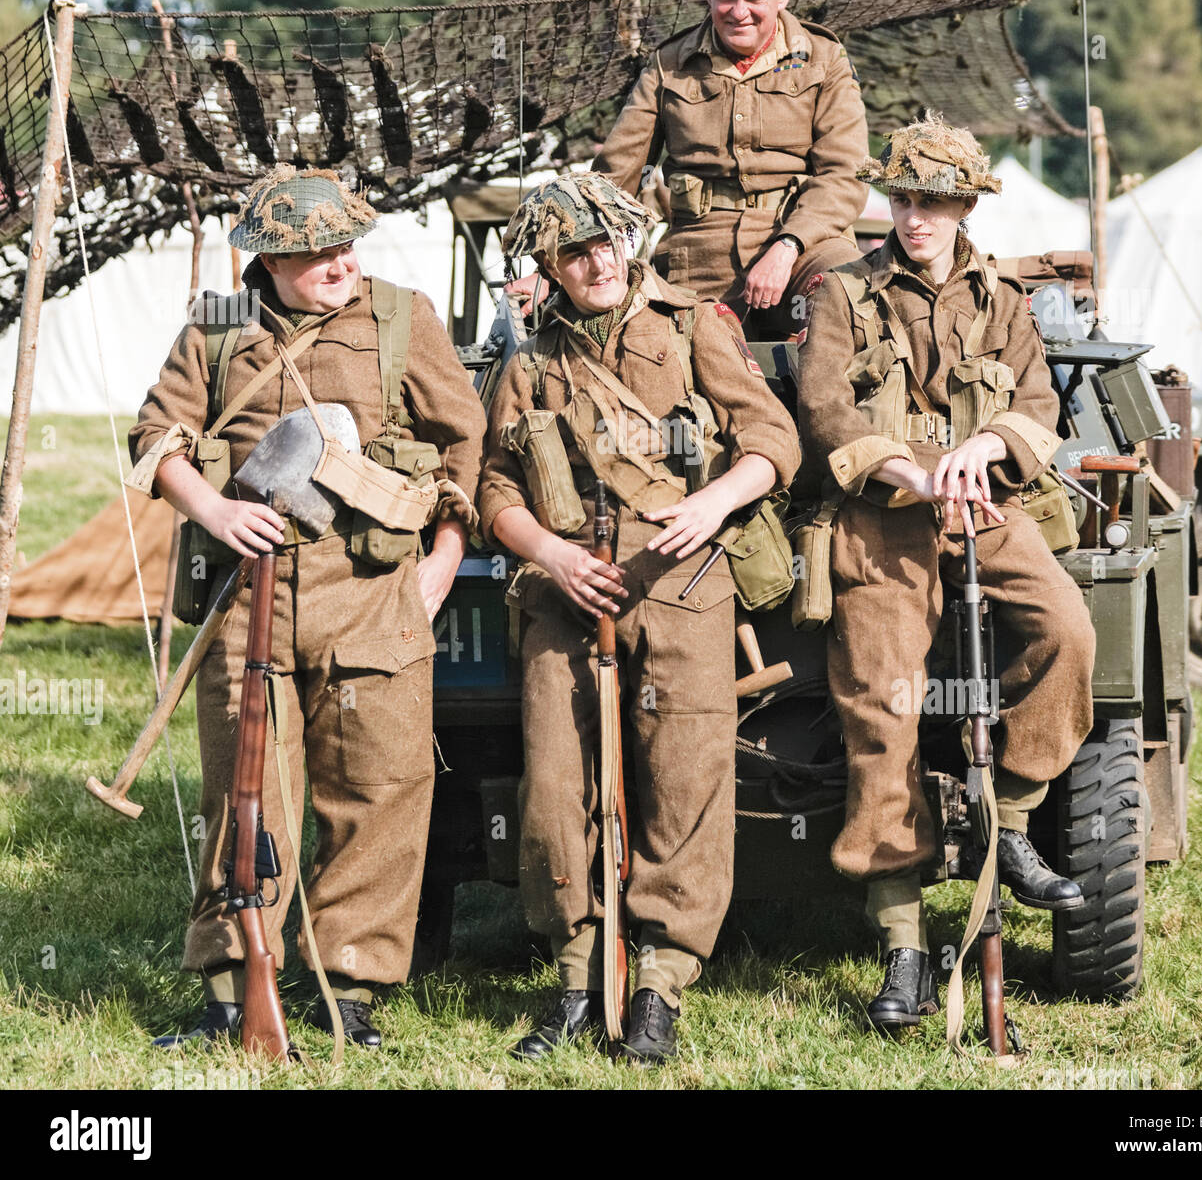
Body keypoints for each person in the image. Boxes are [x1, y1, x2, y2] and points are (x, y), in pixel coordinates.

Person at [129, 166, 486, 1050]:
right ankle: (229, 990)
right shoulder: (218, 326)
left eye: (344, 243)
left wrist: (444, 559)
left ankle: (348, 990)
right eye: (312, 250)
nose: (336, 262)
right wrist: (213, 510)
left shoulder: (401, 315)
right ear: (269, 258)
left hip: (372, 590)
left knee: (381, 787)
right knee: (244, 797)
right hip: (250, 592)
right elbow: (156, 436)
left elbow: (463, 440)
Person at [478, 172, 799, 1062]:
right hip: (568, 594)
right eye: (575, 252)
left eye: (608, 241)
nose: (598, 261)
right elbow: (494, 487)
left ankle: (660, 981)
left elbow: (773, 439)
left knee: (685, 783)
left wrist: (717, 504)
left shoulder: (696, 327)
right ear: (549, 265)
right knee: (552, 788)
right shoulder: (531, 361)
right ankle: (577, 975)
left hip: (687, 585)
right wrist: (549, 554)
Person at [796, 115, 1096, 1032]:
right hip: (884, 521)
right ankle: (904, 948)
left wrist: (986, 449)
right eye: (902, 199)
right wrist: (913, 469)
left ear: (966, 206)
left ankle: (1005, 815)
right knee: (883, 710)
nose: (914, 217)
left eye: (933, 201)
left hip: (986, 510)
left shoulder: (1002, 295)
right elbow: (823, 409)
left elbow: (1039, 402)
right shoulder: (843, 292)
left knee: (1068, 633)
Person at [509, 0, 868, 338]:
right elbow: (612, 179)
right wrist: (551, 272)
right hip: (697, 248)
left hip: (807, 243)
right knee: (664, 341)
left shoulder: (824, 60)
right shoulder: (669, 64)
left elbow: (845, 175)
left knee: (847, 295)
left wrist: (788, 247)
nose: (739, 12)